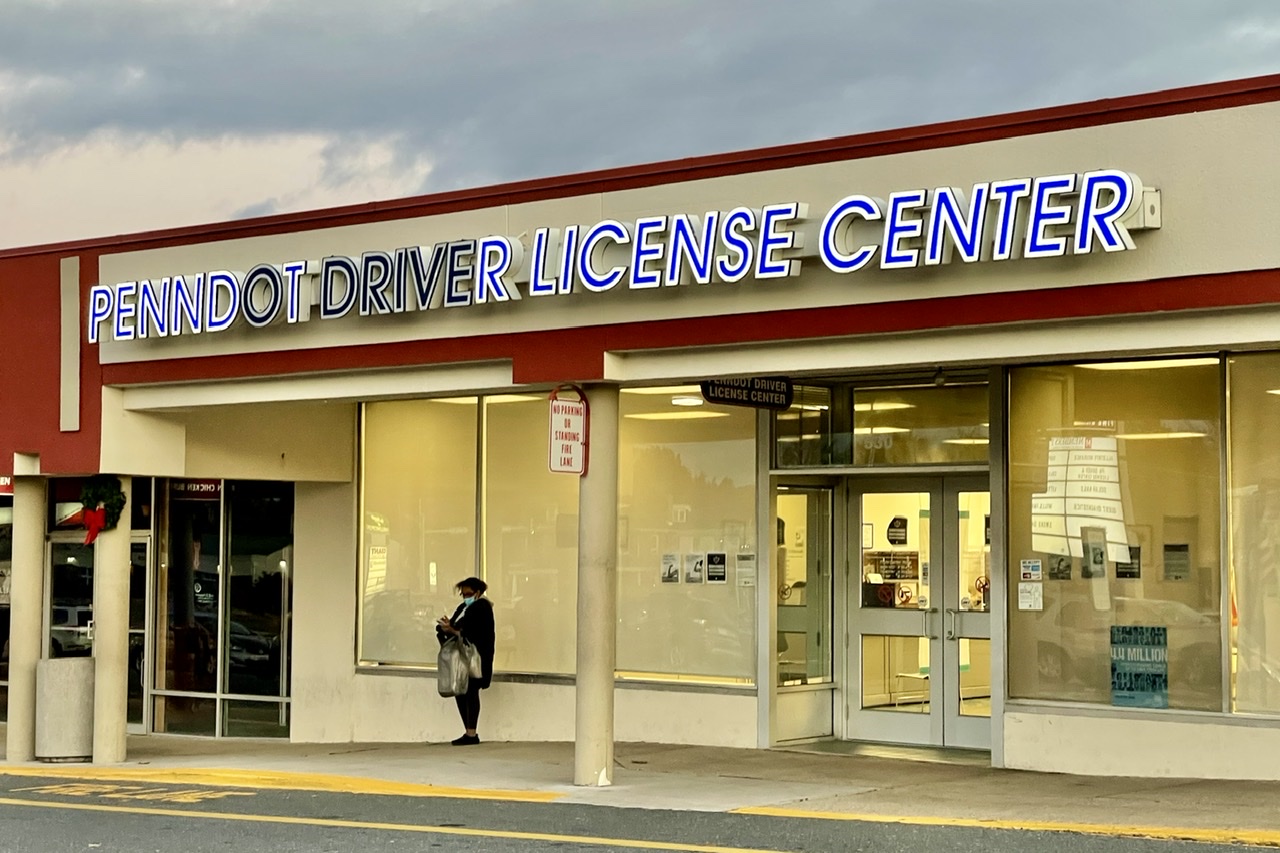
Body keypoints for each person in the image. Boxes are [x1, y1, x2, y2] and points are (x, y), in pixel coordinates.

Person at [436, 576, 495, 746]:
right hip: (463, 657)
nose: (464, 597)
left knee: (471, 691)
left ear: (477, 593)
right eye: (463, 594)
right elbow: (458, 625)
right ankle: (469, 732)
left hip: (475, 657)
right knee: (461, 690)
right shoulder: (465, 607)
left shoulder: (482, 607)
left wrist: (452, 630)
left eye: (467, 594)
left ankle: (471, 733)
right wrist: (448, 627)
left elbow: (471, 632)